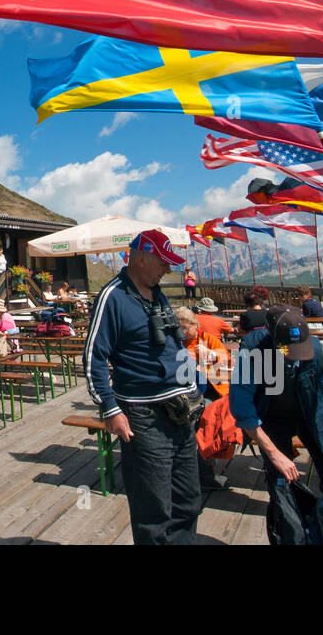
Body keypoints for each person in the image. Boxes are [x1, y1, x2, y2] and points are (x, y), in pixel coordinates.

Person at [85, 230, 201, 544]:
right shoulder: (113, 296)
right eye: (163, 262)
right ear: (140, 257)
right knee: (154, 509)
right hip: (142, 416)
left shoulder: (156, 292)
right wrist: (110, 409)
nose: (167, 268)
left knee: (188, 499)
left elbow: (173, 346)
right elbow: (94, 356)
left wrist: (192, 386)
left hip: (180, 411)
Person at [229, 305, 323, 544]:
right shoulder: (252, 352)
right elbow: (243, 409)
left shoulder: (319, 353)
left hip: (312, 411)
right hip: (271, 416)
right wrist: (275, 455)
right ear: (273, 339)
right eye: (288, 350)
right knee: (279, 480)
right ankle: (289, 533)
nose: (296, 354)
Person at [176, 307, 231, 493]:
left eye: (186, 327)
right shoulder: (174, 342)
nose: (183, 332)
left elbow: (228, 362)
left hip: (210, 391)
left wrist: (210, 355)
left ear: (195, 325)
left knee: (203, 423)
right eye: (179, 328)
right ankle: (188, 472)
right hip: (182, 392)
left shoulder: (207, 339)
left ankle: (205, 473)